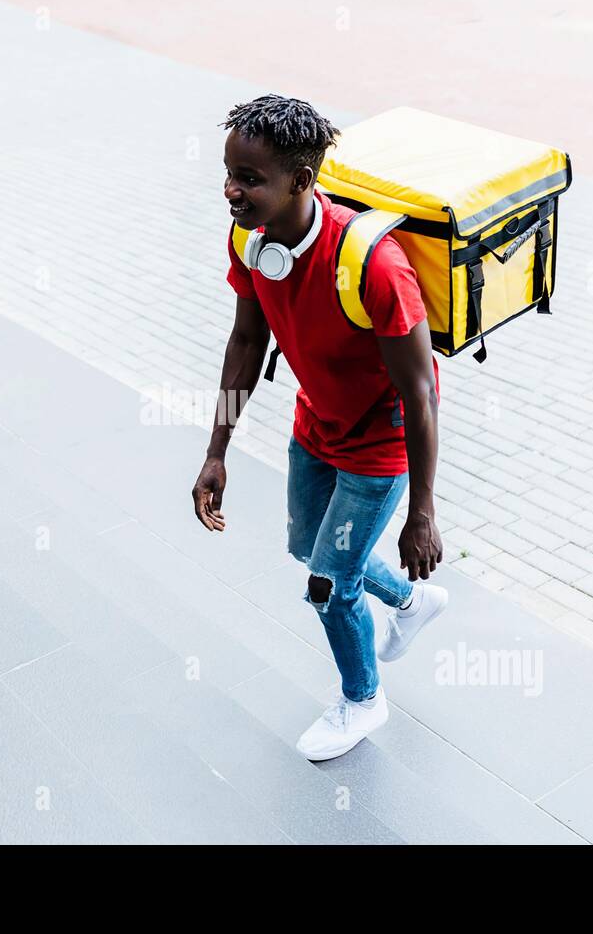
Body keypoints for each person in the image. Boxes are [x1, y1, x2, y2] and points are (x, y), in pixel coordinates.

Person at [192, 94, 450, 762]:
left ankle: (363, 700)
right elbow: (245, 344)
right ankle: (409, 602)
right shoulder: (249, 241)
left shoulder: (375, 267)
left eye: (249, 179)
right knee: (310, 550)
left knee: (327, 584)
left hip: (382, 444)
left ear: (302, 183)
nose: (231, 190)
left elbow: (421, 395)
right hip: (317, 426)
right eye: (229, 172)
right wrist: (215, 451)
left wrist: (421, 512)